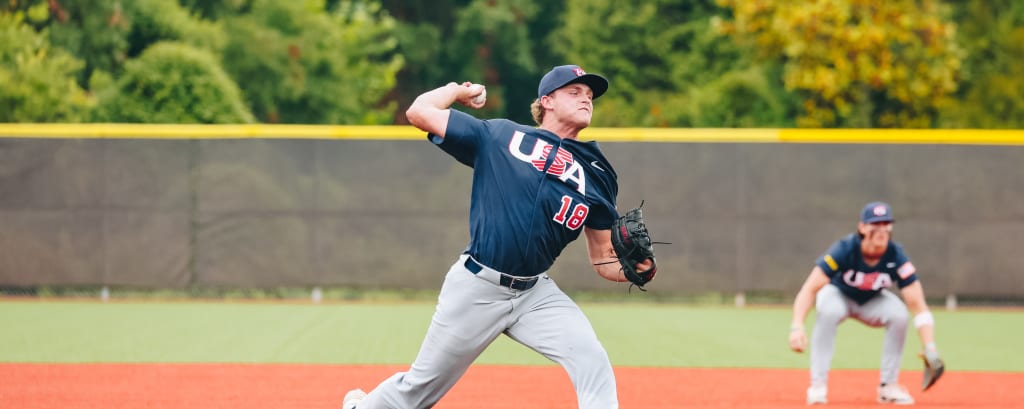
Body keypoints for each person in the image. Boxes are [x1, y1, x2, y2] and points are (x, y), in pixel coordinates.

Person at [342, 65, 651, 409]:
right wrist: (457, 90)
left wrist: (639, 269)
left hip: (536, 294)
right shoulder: (502, 136)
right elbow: (419, 111)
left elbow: (602, 258)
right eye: (574, 92)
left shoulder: (598, 172)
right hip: (478, 287)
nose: (586, 100)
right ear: (546, 101)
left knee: (592, 361)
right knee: (417, 391)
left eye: (590, 96)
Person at [788, 201, 943, 405]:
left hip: (872, 301)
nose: (881, 229)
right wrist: (797, 326)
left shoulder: (896, 256)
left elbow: (918, 304)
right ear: (862, 227)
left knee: (899, 315)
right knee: (828, 309)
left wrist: (929, 346)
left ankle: (888, 386)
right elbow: (810, 288)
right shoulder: (844, 250)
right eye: (875, 224)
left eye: (886, 224)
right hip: (839, 296)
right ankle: (818, 385)